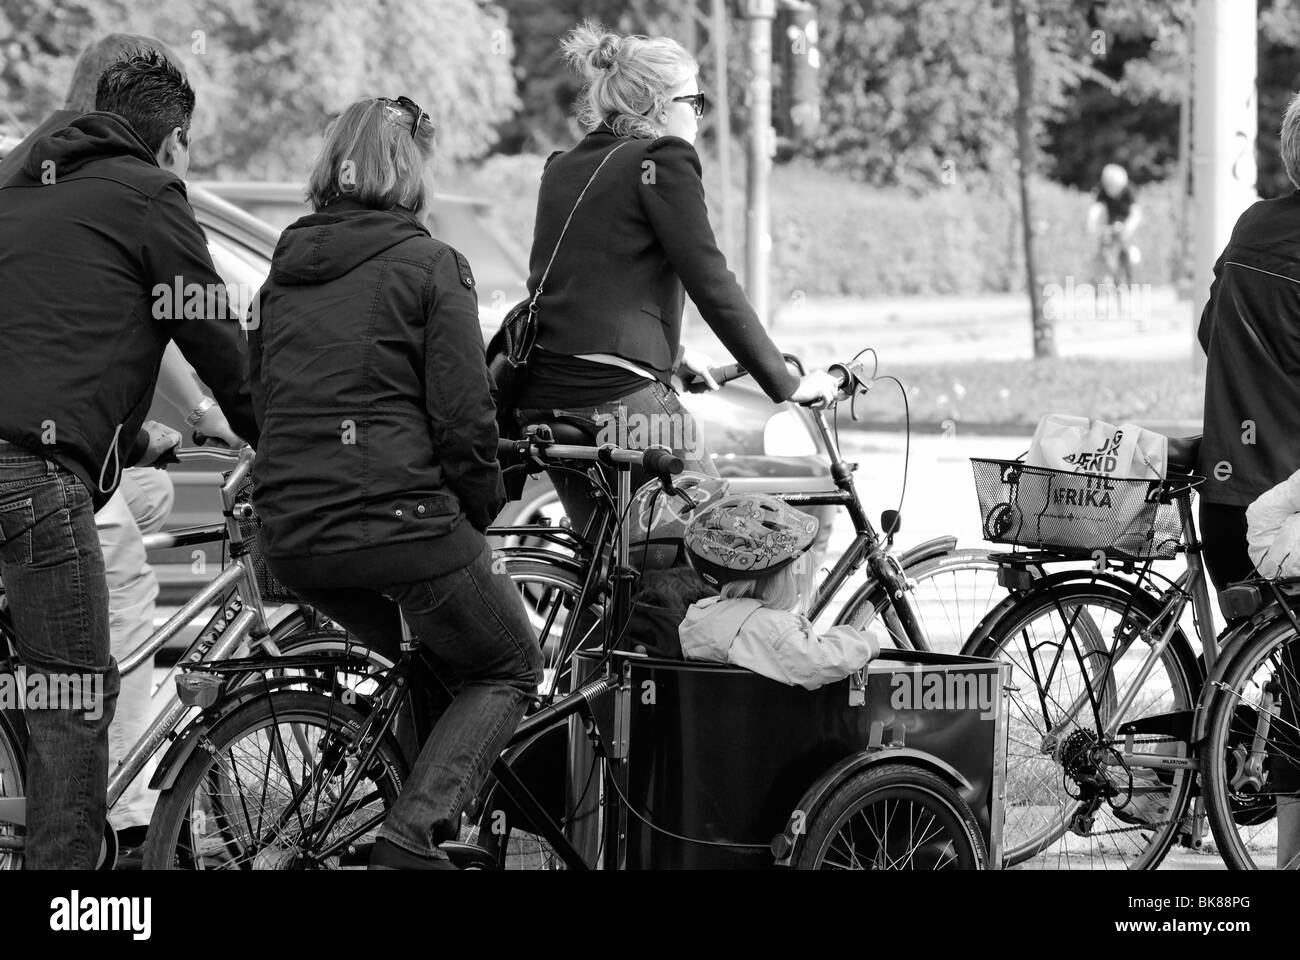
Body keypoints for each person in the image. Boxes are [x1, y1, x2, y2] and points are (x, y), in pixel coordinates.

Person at [247, 96, 543, 870]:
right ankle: (414, 839)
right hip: (402, 527)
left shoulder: (280, 276)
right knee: (510, 663)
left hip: (294, 542)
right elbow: (463, 417)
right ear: (412, 170)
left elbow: (260, 407)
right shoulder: (432, 264)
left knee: (437, 662)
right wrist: (480, 509)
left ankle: (425, 824)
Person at [0, 51, 259, 868]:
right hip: (33, 481)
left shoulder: (18, 186)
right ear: (173, 142)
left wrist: (134, 436)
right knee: (75, 698)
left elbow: (50, 342)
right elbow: (219, 344)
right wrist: (278, 434)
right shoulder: (149, 197)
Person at [513, 21, 840, 546]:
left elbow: (586, 283)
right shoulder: (663, 158)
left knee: (625, 573)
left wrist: (673, 353)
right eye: (696, 100)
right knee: (727, 552)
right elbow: (711, 281)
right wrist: (787, 382)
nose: (700, 115)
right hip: (615, 400)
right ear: (660, 105)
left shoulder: (564, 166)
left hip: (544, 396)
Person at [1198, 90, 1300, 869]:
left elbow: (1208, 330)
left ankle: (1203, 788)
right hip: (1285, 507)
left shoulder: (1252, 224)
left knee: (1245, 655)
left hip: (1226, 498)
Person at [679, 495, 882, 688]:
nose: (801, 589)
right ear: (776, 580)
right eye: (798, 574)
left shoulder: (699, 614)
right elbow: (817, 662)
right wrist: (863, 643)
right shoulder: (773, 628)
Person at [1087, 162, 1142, 283]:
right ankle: (1101, 276)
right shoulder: (1103, 189)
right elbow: (1096, 208)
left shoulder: (1129, 190)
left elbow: (1135, 213)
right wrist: (1091, 223)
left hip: (1127, 224)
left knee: (1125, 248)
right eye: (1108, 186)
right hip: (1110, 224)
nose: (1110, 189)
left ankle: (1128, 278)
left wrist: (1128, 228)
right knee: (1103, 247)